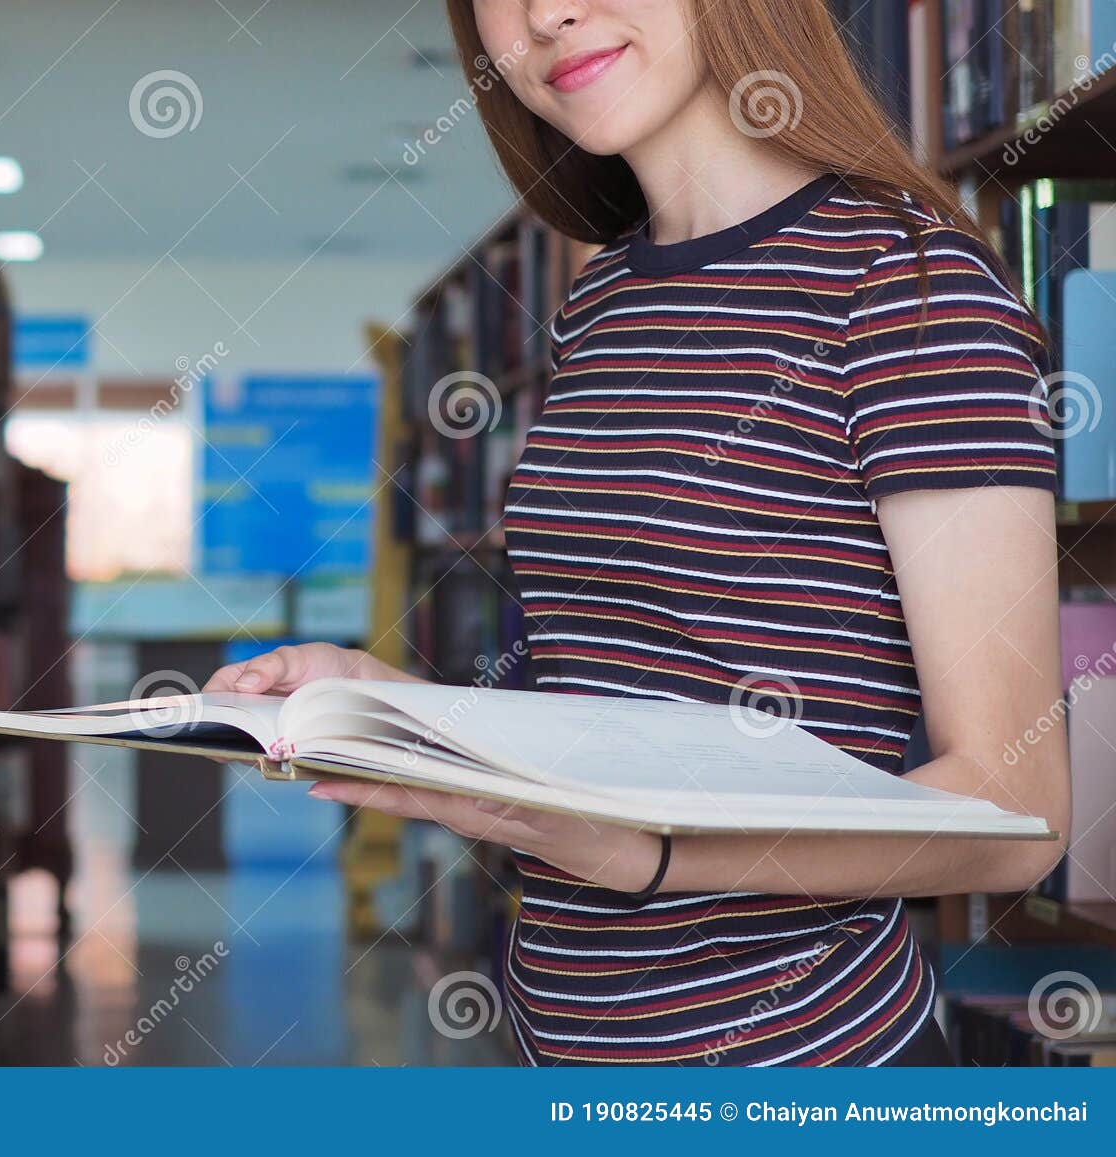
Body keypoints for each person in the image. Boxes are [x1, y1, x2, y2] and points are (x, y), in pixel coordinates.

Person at [205, 0, 1072, 1066]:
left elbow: (1015, 806)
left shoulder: (905, 287)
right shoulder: (601, 299)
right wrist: (386, 700)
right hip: (564, 1050)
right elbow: (626, 712)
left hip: (805, 1067)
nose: (547, 14)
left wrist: (656, 854)